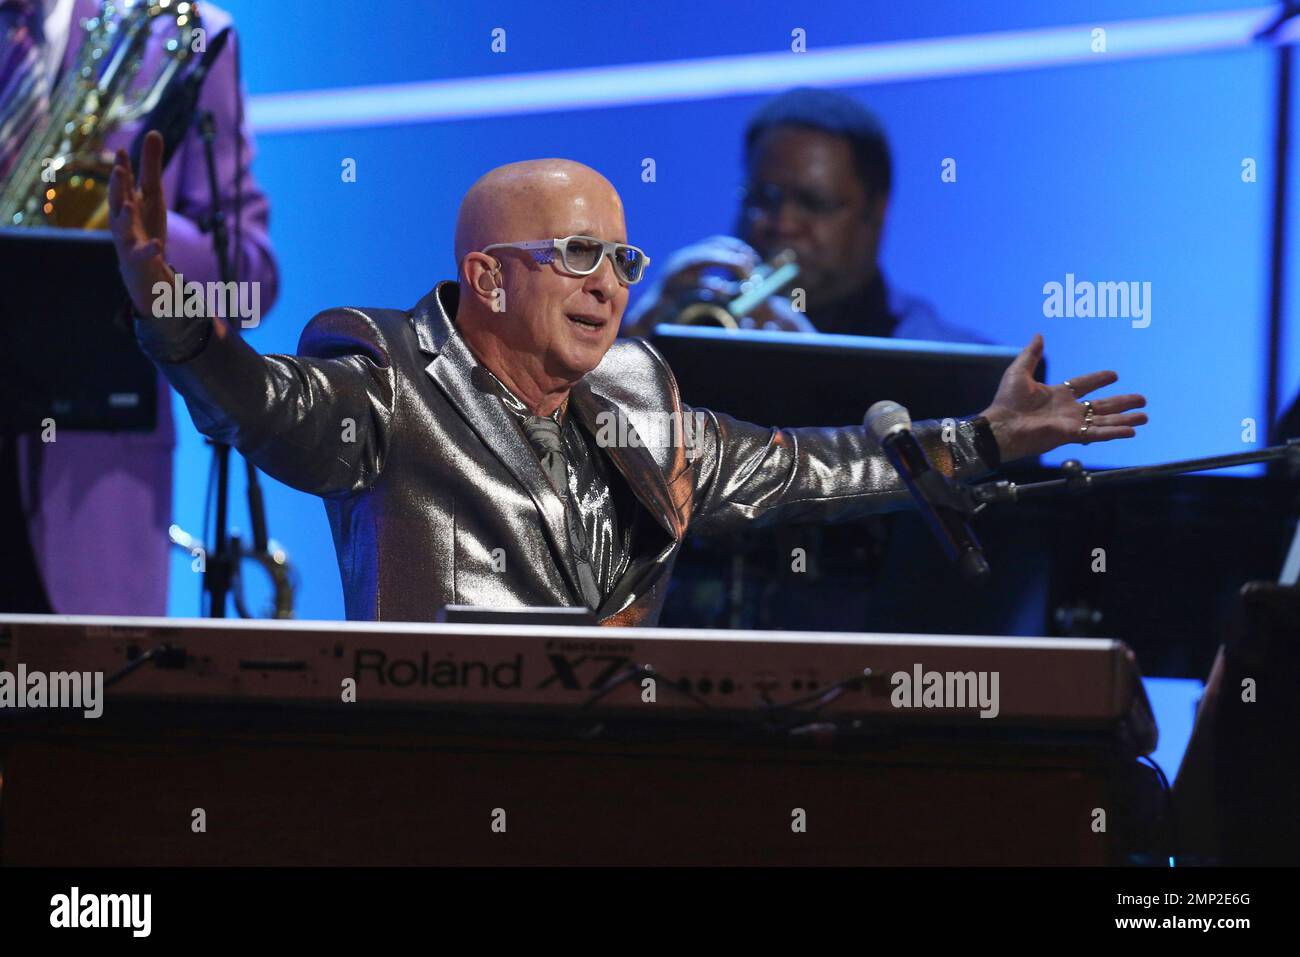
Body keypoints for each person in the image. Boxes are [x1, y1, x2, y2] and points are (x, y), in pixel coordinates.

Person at [109, 135, 1147, 625]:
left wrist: (988, 438)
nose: (609, 284)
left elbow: (811, 469)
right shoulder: (384, 373)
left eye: (622, 261)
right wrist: (177, 318)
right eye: (576, 256)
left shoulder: (640, 404)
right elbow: (261, 405)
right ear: (485, 277)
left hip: (620, 757)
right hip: (440, 755)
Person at [0, 0, 278, 614]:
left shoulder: (188, 36)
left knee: (83, 706)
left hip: (86, 485)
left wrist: (135, 235)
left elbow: (249, 285)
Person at [623, 87, 983, 342]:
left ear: (876, 210)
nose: (781, 224)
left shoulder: (955, 368)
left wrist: (810, 369)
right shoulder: (679, 328)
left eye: (813, 203)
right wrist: (626, 350)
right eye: (763, 198)